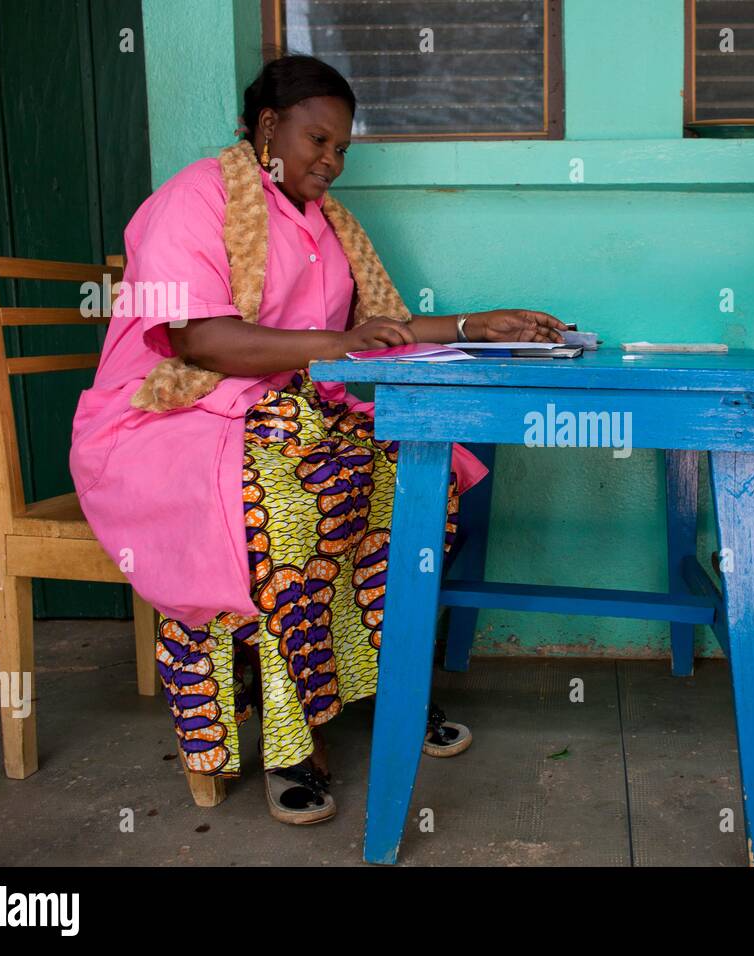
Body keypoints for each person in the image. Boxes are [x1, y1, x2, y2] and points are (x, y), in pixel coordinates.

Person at [70, 54, 565, 824]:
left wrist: (478, 324)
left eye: (341, 149)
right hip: (170, 421)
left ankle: (396, 690)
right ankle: (290, 744)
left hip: (277, 416)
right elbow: (201, 340)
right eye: (318, 142)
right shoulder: (196, 197)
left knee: (410, 478)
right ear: (269, 126)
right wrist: (337, 348)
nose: (331, 162)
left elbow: (374, 330)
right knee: (295, 501)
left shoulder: (323, 221)